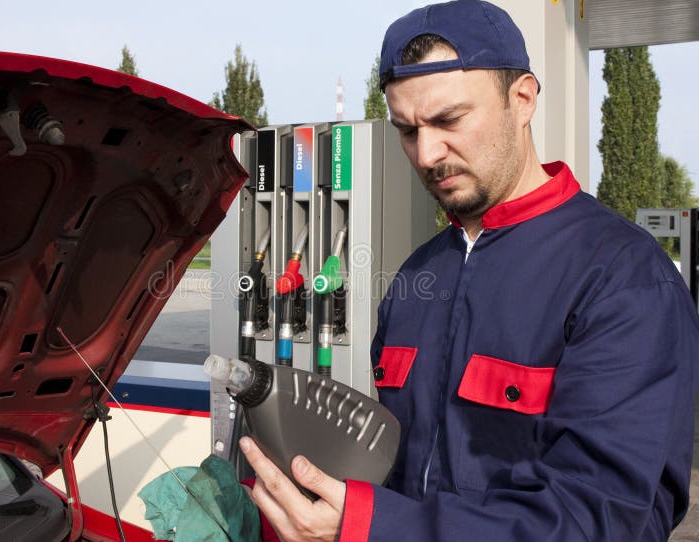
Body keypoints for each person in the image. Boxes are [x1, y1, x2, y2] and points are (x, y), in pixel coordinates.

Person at [240, 1, 699, 540]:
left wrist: (370, 525)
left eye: (448, 120)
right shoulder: (416, 278)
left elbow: (601, 519)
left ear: (521, 100)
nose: (427, 154)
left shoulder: (623, 280)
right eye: (407, 130)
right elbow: (396, 471)